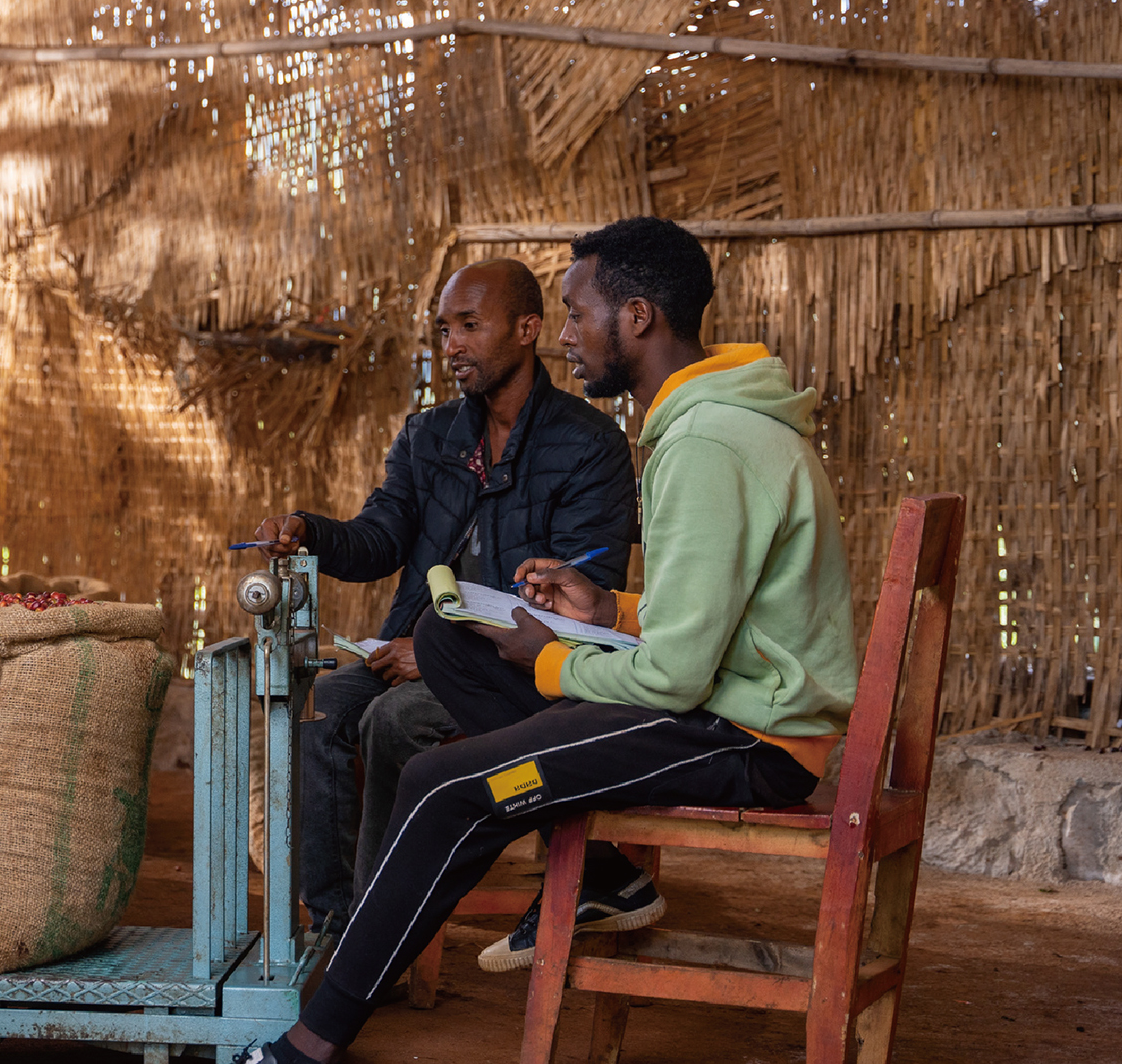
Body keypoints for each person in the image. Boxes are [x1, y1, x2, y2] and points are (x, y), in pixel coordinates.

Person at [234, 217, 857, 1064]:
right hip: (722, 702)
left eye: (575, 312)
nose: (566, 335)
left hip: (746, 736)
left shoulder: (705, 442)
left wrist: (555, 659)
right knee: (449, 641)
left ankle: (310, 1041)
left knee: (441, 783)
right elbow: (711, 613)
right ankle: (600, 869)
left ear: (636, 316)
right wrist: (607, 611)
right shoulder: (712, 423)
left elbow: (675, 676)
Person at [248, 258, 634, 936]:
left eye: (469, 325)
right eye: (444, 329)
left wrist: (437, 651)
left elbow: (578, 596)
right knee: (320, 708)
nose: (451, 344)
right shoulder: (429, 437)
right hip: (410, 649)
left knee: (392, 720)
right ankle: (339, 922)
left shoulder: (589, 444)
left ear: (526, 329)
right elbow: (379, 538)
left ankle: (381, 929)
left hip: (523, 666)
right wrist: (310, 531)